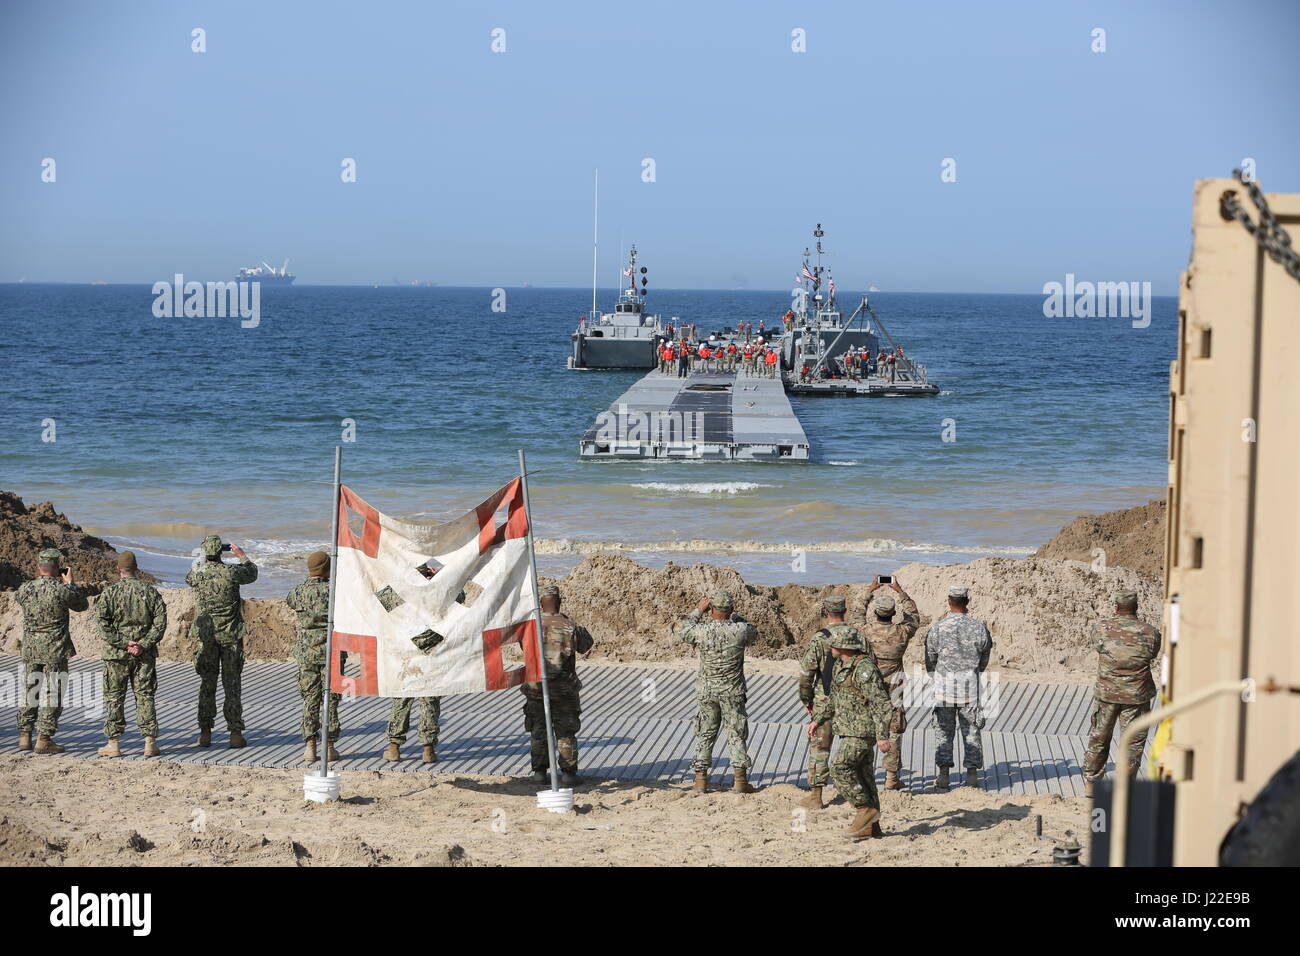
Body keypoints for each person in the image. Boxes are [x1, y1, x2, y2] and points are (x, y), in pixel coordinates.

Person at [808, 628, 893, 839]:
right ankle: (872, 827)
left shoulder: (864, 669)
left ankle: (864, 809)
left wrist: (882, 735)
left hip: (862, 732)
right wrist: (818, 719)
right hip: (848, 729)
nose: (831, 648)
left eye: (834, 644)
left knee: (839, 768)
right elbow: (834, 699)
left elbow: (881, 703)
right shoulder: (840, 666)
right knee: (865, 777)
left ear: (843, 646)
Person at [1082, 590, 1162, 797]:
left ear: (1116, 606)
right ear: (1136, 607)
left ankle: (1092, 783)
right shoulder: (1150, 632)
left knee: (1099, 737)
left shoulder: (1101, 628)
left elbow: (1098, 647)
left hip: (1107, 695)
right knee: (1133, 742)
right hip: (1136, 696)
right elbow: (1152, 653)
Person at [680, 591, 758, 793]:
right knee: (736, 733)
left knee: (705, 732)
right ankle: (740, 781)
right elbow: (753, 631)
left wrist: (698, 610)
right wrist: (736, 616)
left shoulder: (702, 631)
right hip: (732, 692)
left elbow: (684, 630)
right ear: (730, 610)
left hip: (707, 690)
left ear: (711, 610)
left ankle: (700, 779)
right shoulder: (740, 630)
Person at [187, 534, 258, 748]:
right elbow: (252, 573)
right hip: (230, 635)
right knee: (232, 685)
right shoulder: (231, 572)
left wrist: (201, 558)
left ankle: (205, 732)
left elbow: (189, 577)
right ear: (221, 552)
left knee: (207, 684)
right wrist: (241, 555)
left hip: (206, 636)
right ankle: (235, 733)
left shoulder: (197, 573)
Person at [15, 548, 89, 754]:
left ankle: (24, 735)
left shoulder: (25, 589)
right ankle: (44, 738)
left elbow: (19, 599)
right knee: (53, 692)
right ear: (57, 569)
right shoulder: (61, 590)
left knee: (30, 689)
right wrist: (71, 584)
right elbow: (82, 605)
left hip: (30, 648)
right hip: (55, 648)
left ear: (39, 566)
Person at [96, 551, 166, 758]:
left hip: (116, 655)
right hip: (143, 655)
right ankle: (149, 743)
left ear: (119, 570)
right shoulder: (150, 592)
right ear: (136, 569)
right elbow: (160, 623)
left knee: (114, 698)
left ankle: (114, 744)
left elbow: (103, 624)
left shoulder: (109, 593)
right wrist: (142, 644)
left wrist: (124, 644)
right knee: (145, 696)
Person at [523, 583, 594, 786]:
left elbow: (523, 647)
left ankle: (539, 773)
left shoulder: (530, 626)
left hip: (536, 688)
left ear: (540, 603)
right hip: (564, 689)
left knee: (538, 730)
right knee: (565, 731)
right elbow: (586, 645)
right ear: (559, 602)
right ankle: (568, 773)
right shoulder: (569, 625)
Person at [924, 586, 993, 789]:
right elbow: (985, 657)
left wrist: (936, 675)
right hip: (969, 689)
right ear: (967, 602)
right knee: (971, 732)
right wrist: (974, 671)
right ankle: (971, 775)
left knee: (943, 732)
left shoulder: (938, 628)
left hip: (945, 690)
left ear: (949, 601)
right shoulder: (979, 628)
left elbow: (930, 658)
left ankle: (944, 775)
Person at [797, 595, 858, 809]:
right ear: (845, 611)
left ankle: (816, 795)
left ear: (825, 612)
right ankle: (855, 792)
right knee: (853, 746)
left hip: (825, 699)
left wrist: (807, 700)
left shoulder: (819, 638)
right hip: (852, 699)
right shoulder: (857, 636)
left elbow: (807, 674)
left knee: (820, 748)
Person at [859, 576, 919, 789]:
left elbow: (856, 614)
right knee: (894, 730)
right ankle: (891, 778)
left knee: (865, 728)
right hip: (894, 687)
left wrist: (870, 590)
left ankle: (863, 774)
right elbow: (913, 617)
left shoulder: (865, 632)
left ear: (875, 613)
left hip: (869, 686)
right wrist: (900, 591)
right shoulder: (901, 632)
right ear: (894, 614)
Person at [385, 562, 447, 763]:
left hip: (406, 653)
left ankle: (394, 747)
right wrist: (439, 579)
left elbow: (384, 598)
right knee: (430, 701)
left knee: (402, 699)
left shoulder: (402, 592)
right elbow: (459, 597)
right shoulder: (438, 594)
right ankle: (428, 748)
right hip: (431, 651)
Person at [286, 551, 342, 763]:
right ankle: (330, 746)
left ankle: (310, 746)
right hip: (332, 651)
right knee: (331, 698)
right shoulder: (335, 591)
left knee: (310, 698)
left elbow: (290, 600)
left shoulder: (299, 592)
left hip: (306, 652)